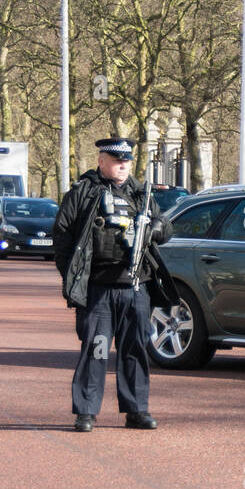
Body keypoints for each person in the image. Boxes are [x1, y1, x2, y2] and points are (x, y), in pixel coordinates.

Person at [54, 137, 174, 432]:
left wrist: (158, 228)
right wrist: (74, 278)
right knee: (95, 349)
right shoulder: (83, 193)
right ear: (101, 161)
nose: (122, 165)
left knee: (134, 349)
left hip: (136, 287)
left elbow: (166, 226)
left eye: (126, 160)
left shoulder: (140, 194)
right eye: (116, 159)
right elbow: (62, 238)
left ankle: (136, 410)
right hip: (99, 288)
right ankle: (85, 412)